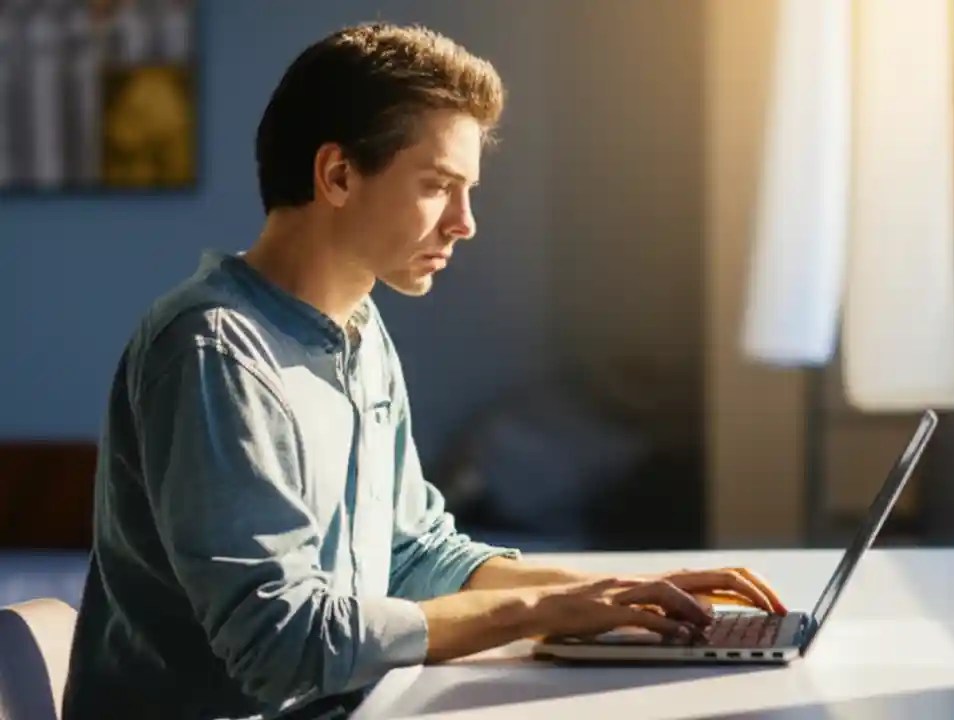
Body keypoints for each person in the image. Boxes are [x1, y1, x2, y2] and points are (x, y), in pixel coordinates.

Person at [61, 23, 785, 720]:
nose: (465, 221)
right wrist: (538, 613)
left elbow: (411, 555)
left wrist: (614, 592)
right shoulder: (217, 350)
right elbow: (282, 649)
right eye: (439, 184)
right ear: (338, 174)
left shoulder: (359, 330)